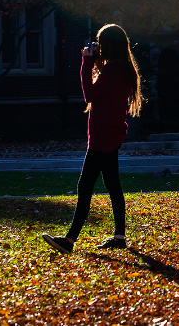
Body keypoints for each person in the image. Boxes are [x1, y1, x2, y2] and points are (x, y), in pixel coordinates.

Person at [42, 23, 143, 254]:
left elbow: (89, 94)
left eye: (100, 42)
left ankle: (69, 240)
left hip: (102, 137)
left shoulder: (113, 70)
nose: (96, 46)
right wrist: (97, 63)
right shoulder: (122, 68)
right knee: (112, 184)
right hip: (112, 133)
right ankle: (119, 236)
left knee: (85, 185)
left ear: (109, 44)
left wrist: (87, 62)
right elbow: (105, 95)